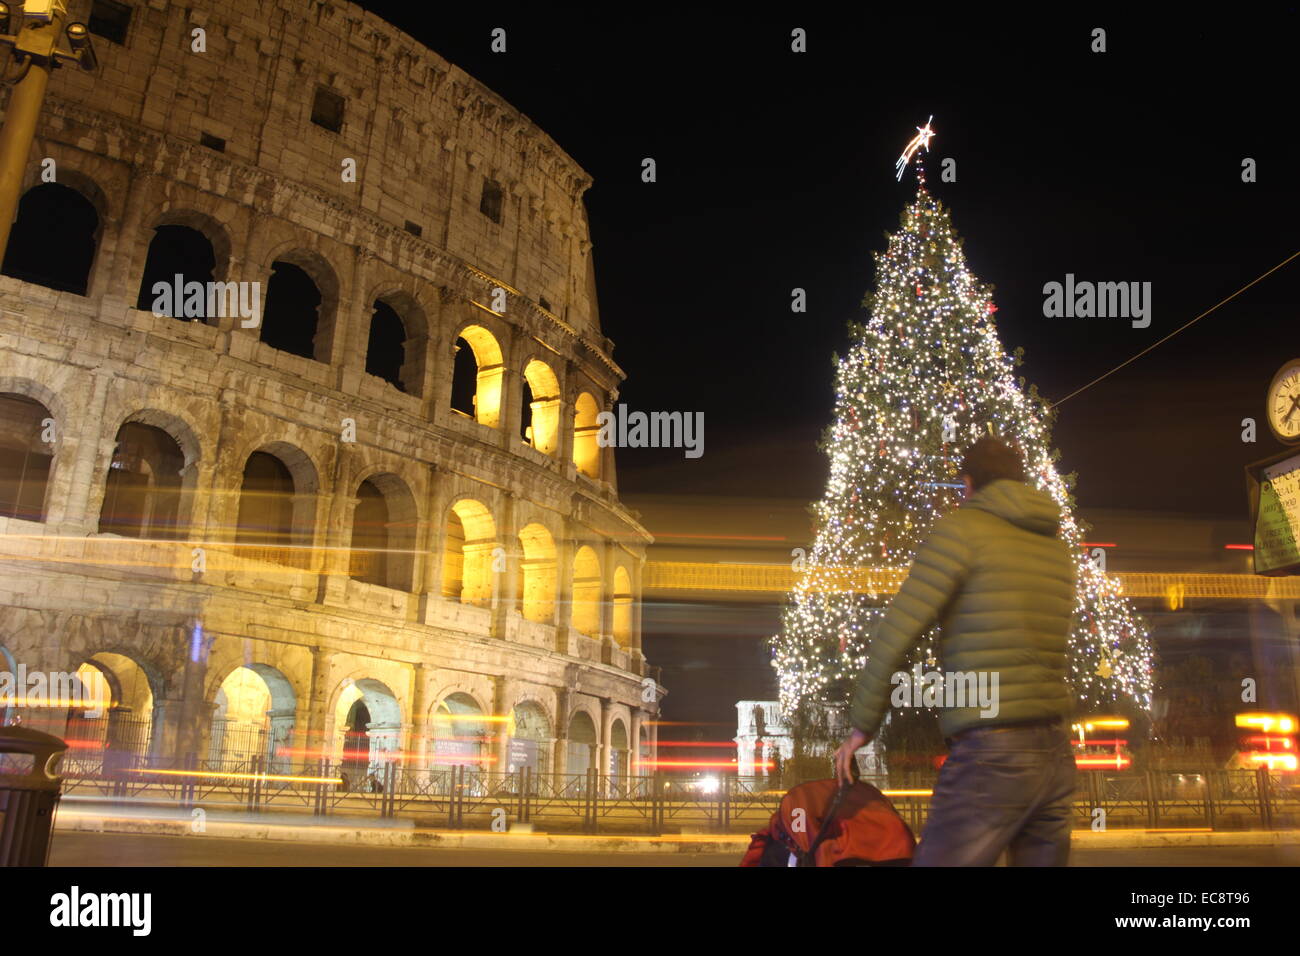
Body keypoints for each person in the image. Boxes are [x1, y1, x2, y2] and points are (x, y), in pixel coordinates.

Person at [833, 436, 1078, 866]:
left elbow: (898, 633)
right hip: (1055, 752)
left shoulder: (961, 531)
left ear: (969, 482)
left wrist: (861, 727)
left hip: (991, 751)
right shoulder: (1055, 547)